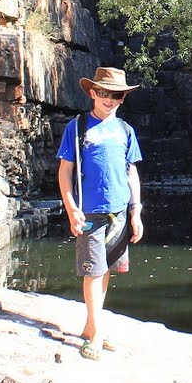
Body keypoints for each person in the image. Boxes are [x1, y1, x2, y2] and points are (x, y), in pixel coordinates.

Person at [57, 66, 145, 359]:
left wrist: (136, 211)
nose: (110, 100)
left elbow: (132, 172)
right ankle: (96, 334)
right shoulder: (78, 127)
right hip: (90, 214)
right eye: (105, 93)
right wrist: (71, 209)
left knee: (104, 270)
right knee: (92, 273)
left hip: (118, 212)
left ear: (122, 98)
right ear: (93, 93)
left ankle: (90, 326)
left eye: (117, 95)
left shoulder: (125, 130)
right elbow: (65, 171)